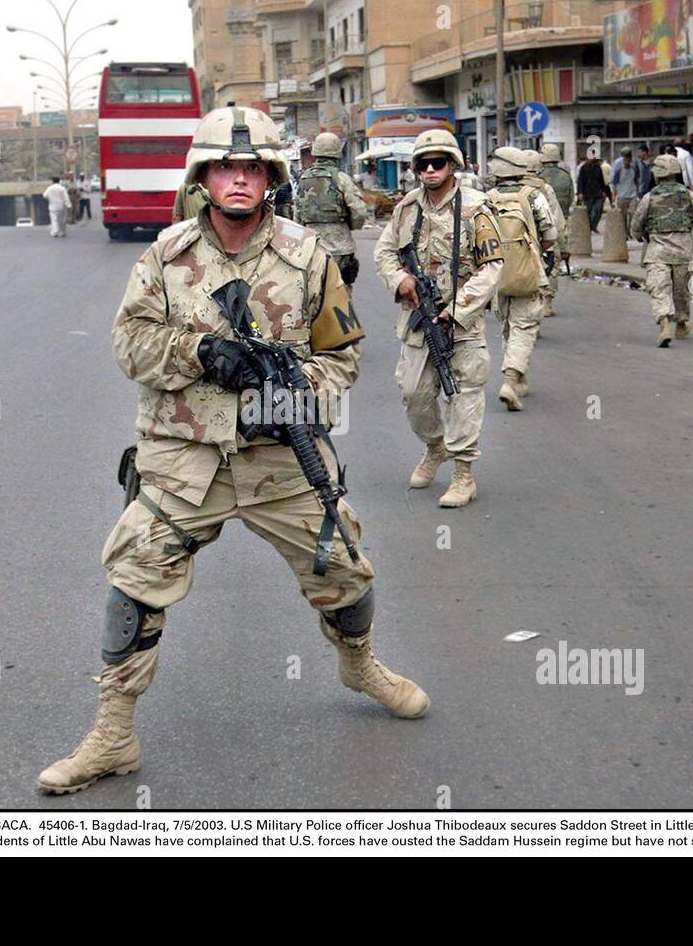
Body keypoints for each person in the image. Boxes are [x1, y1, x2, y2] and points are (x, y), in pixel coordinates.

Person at [36, 106, 429, 795]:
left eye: (252, 168)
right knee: (136, 575)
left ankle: (358, 662)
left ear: (270, 177)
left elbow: (342, 359)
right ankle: (113, 733)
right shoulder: (166, 255)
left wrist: (286, 393)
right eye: (226, 167)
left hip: (280, 457)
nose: (239, 179)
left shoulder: (309, 257)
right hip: (184, 454)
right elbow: (129, 344)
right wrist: (200, 351)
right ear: (205, 177)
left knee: (345, 570)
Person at [373, 129, 503, 509]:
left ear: (452, 165)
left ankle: (463, 474)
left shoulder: (477, 207)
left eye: (438, 162)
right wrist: (401, 280)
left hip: (462, 322)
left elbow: (492, 267)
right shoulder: (406, 209)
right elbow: (384, 254)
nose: (430, 169)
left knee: (464, 393)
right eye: (424, 163)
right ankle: (435, 447)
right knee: (414, 393)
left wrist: (457, 309)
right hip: (418, 319)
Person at [485, 147, 557, 412]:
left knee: (508, 325)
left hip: (496, 274)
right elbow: (550, 235)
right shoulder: (533, 196)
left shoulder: (486, 199)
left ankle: (519, 376)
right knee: (524, 326)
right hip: (526, 271)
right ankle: (510, 380)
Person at [629, 153, 693, 347]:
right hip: (683, 252)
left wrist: (639, 234)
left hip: (657, 252)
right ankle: (681, 322)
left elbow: (637, 224)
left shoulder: (650, 197)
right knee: (681, 291)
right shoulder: (689, 195)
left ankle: (665, 324)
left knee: (659, 289)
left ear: (658, 175)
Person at [296, 131, 368, 287]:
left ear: (315, 153)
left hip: (311, 247)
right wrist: (350, 225)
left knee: (313, 294)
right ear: (337, 153)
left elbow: (297, 215)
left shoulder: (303, 179)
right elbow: (360, 212)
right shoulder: (341, 178)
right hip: (339, 247)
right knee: (341, 295)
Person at [537, 143, 575, 313]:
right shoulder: (566, 176)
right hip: (559, 222)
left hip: (539, 224)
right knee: (554, 263)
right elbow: (571, 198)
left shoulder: (537, 177)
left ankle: (538, 298)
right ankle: (548, 302)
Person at [577, 151, 609, 233]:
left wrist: (604, 191)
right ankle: (590, 227)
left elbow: (601, 181)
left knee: (598, 210)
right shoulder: (583, 168)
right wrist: (580, 192)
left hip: (598, 193)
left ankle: (593, 226)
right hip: (587, 194)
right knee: (589, 212)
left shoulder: (598, 167)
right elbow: (580, 181)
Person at [610, 146, 640, 234]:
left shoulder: (634, 165)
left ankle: (630, 230)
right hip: (622, 195)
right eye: (625, 157)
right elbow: (614, 182)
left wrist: (638, 194)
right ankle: (625, 233)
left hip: (632, 194)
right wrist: (614, 195)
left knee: (633, 213)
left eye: (628, 157)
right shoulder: (618, 165)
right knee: (622, 216)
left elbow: (637, 180)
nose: (627, 160)